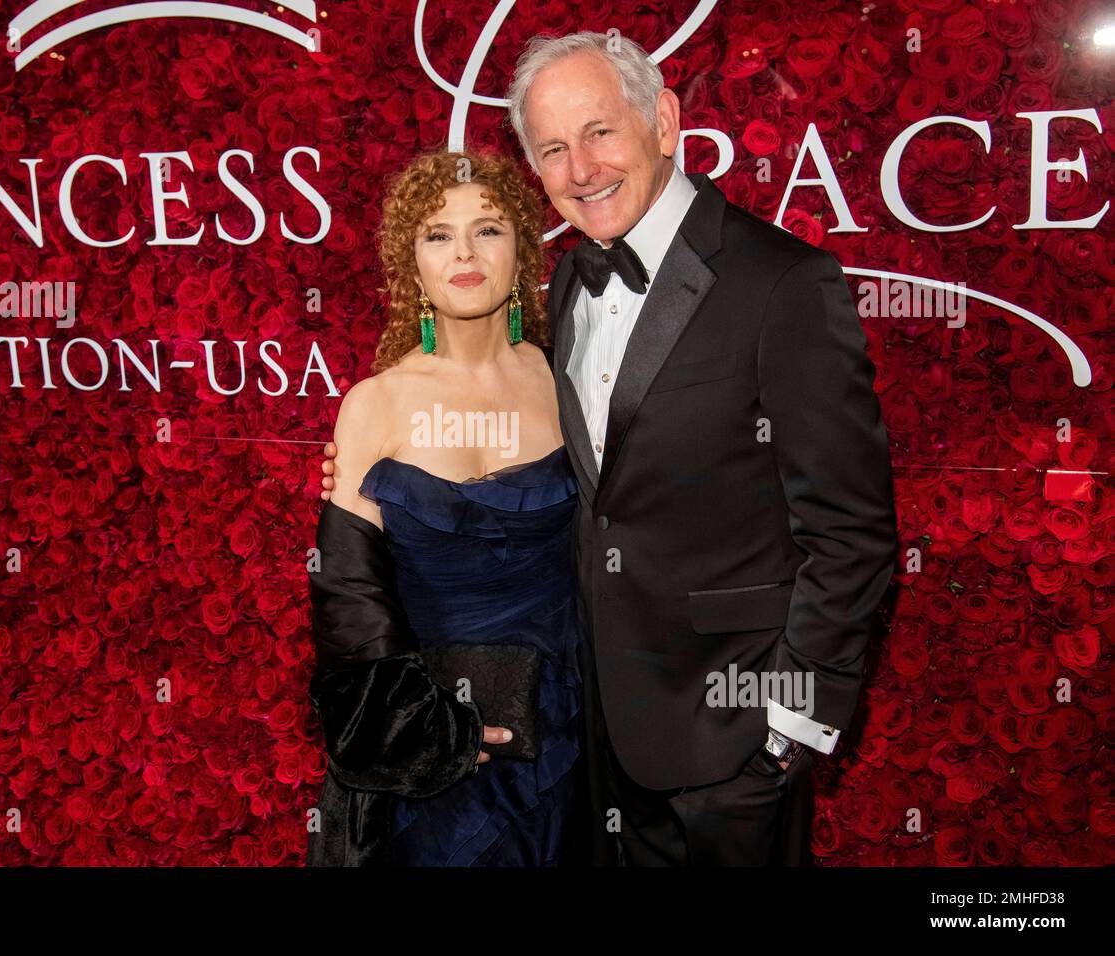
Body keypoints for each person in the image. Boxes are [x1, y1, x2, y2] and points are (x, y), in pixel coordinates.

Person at [324, 31, 898, 866]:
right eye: (553, 149)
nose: (582, 168)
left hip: (727, 753)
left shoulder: (783, 284)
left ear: (663, 121)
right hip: (583, 739)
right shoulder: (565, 291)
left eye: (600, 132)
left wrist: (785, 730)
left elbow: (852, 533)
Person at [306, 148, 589, 866]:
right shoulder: (375, 406)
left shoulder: (573, 387)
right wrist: (429, 737)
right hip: (423, 759)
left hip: (566, 738)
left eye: (488, 229)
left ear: (523, 247)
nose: (464, 252)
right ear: (413, 263)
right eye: (438, 234)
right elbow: (349, 602)